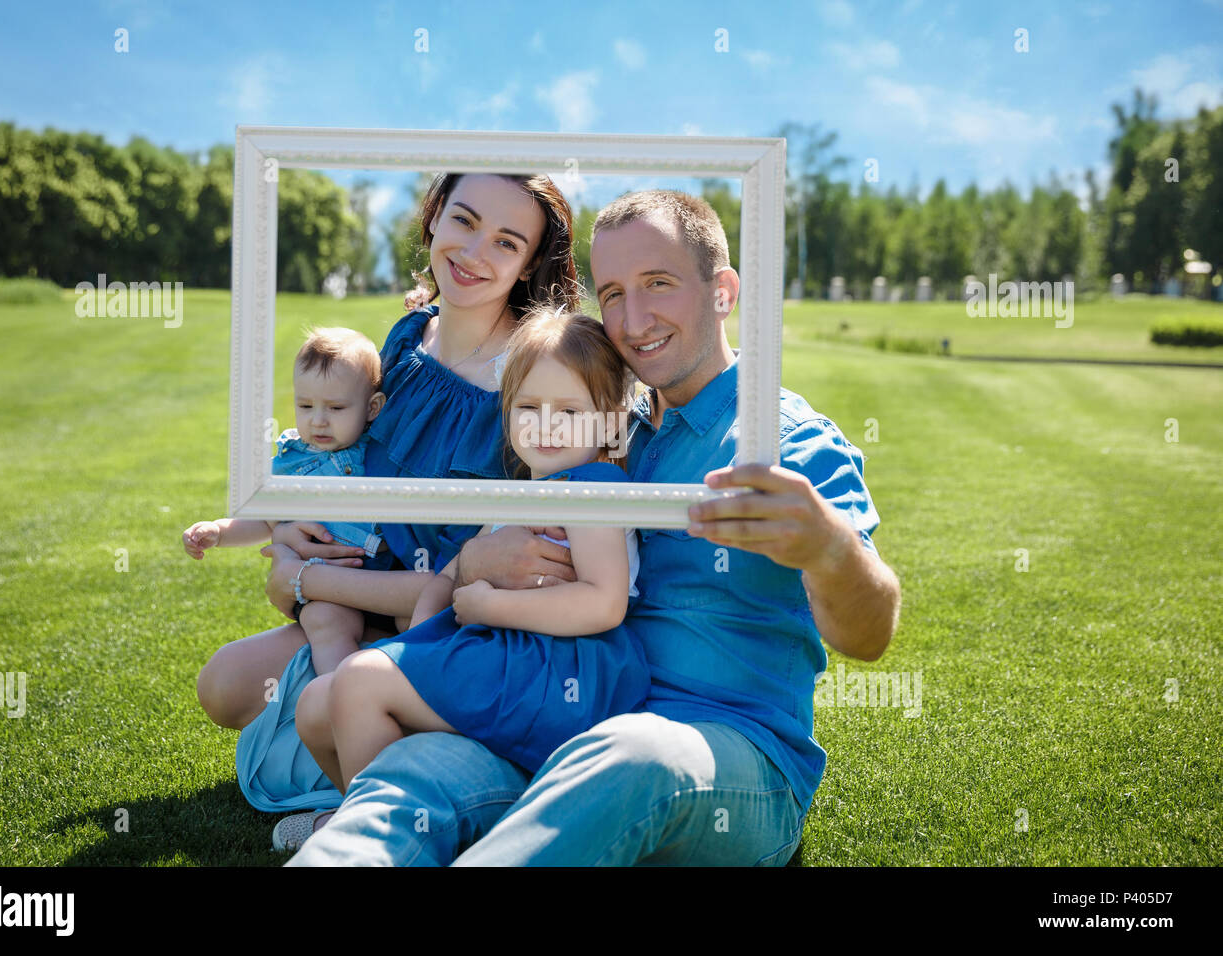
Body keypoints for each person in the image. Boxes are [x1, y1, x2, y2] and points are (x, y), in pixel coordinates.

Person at [287, 189, 902, 866]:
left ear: (723, 291)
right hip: (561, 726)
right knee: (409, 780)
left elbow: (869, 635)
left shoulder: (783, 442)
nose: (633, 318)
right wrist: (473, 564)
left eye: (658, 284)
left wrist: (831, 550)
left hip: (716, 755)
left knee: (631, 755)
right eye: (611, 292)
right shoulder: (602, 432)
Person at [195, 172, 581, 816]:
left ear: (531, 262)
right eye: (463, 220)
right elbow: (344, 464)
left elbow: (476, 578)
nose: (474, 251)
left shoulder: (533, 373)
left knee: (335, 688)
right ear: (434, 217)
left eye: (506, 242)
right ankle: (374, 724)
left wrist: (305, 579)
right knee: (224, 686)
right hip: (371, 600)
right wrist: (290, 529)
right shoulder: (407, 338)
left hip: (458, 619)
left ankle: (394, 783)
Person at [271, 309, 650, 850]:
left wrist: (488, 609)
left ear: (609, 421)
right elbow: (443, 586)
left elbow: (604, 603)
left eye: (568, 410)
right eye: (528, 408)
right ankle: (366, 809)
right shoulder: (518, 489)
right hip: (498, 655)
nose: (545, 425)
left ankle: (381, 838)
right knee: (317, 705)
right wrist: (417, 645)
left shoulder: (590, 488)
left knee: (357, 685)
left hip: (559, 672)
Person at [182, 327, 392, 676]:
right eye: (305, 406)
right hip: (326, 585)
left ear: (372, 408)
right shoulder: (291, 462)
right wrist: (219, 531)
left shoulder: (382, 449)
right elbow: (267, 521)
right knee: (327, 623)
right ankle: (336, 693)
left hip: (388, 577)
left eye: (336, 407)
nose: (318, 420)